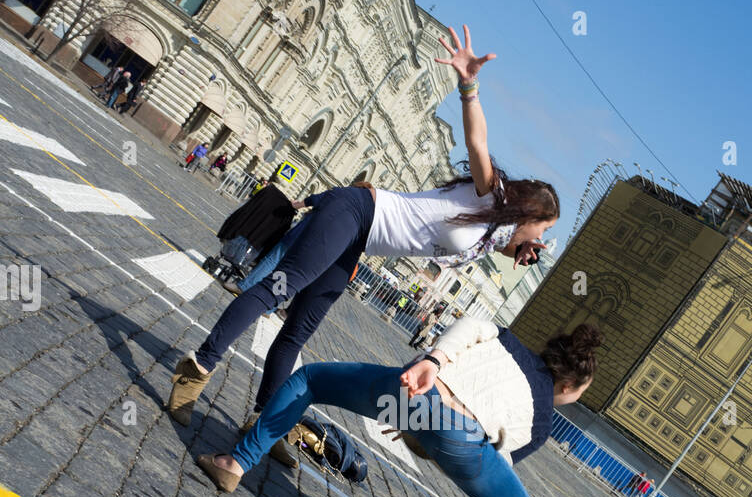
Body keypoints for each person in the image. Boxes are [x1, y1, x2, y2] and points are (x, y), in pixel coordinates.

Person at [167, 22, 560, 429]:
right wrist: (469, 87)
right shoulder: (490, 194)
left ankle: (266, 423)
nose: (542, 240)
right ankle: (197, 366)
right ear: (531, 214)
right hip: (354, 212)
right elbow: (477, 143)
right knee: (273, 292)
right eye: (544, 230)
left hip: (357, 240)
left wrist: (522, 249)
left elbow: (490, 242)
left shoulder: (490, 233)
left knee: (298, 331)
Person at [194, 320, 602, 497]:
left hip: (412, 392)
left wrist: (429, 374)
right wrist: (428, 435)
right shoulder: (543, 421)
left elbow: (466, 329)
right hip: (461, 436)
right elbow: (492, 461)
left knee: (311, 379)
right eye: (578, 394)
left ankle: (235, 464)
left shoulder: (505, 338)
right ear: (568, 384)